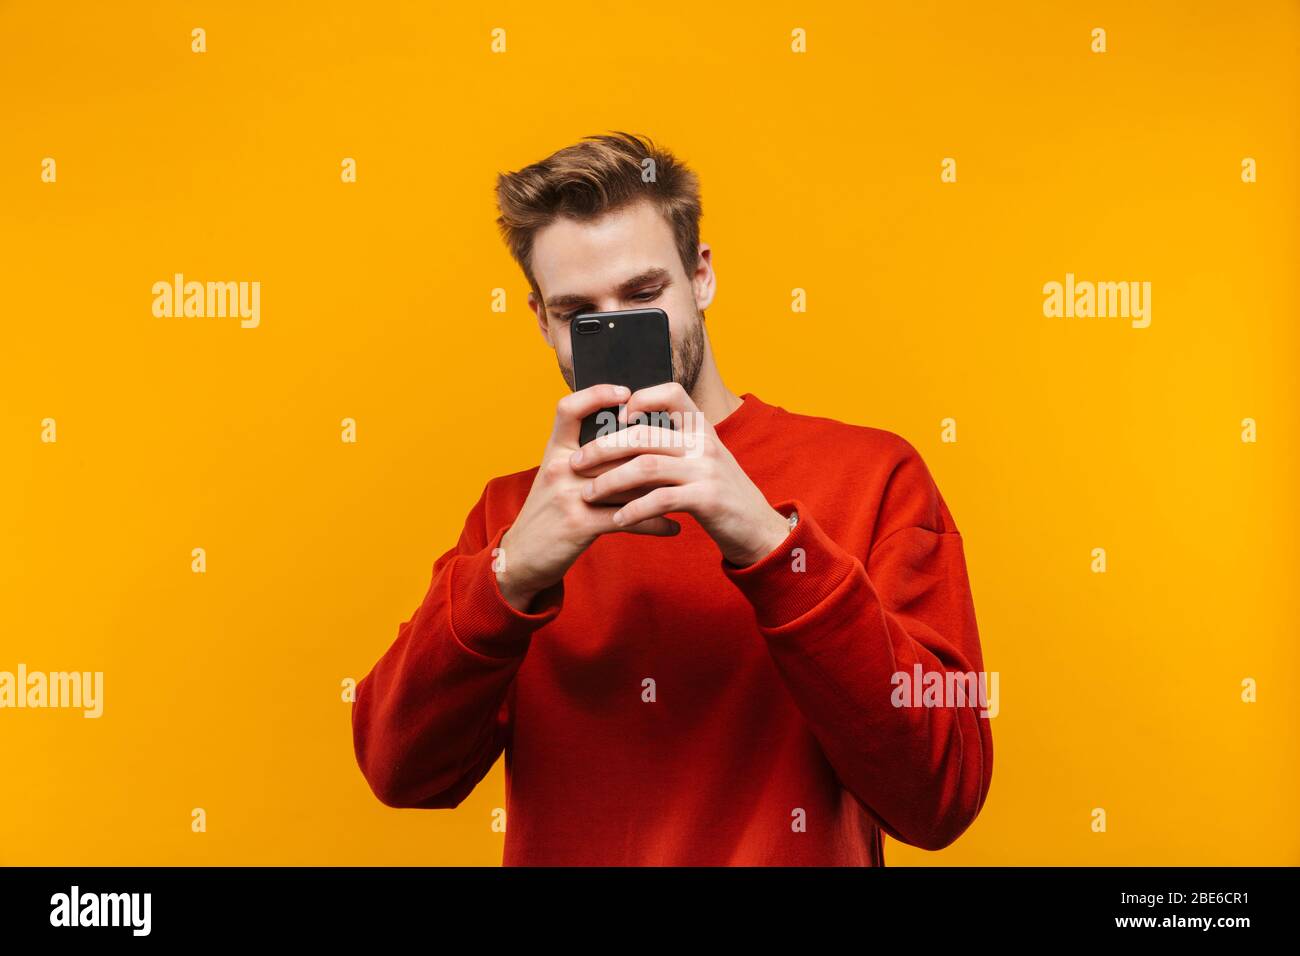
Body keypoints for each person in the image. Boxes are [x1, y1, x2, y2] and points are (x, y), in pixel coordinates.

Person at [351, 131, 993, 865]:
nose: (620, 329)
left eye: (644, 295)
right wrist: (509, 574)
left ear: (701, 276)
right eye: (579, 312)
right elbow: (398, 770)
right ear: (541, 320)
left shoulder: (874, 475)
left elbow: (941, 797)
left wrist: (770, 543)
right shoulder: (515, 515)